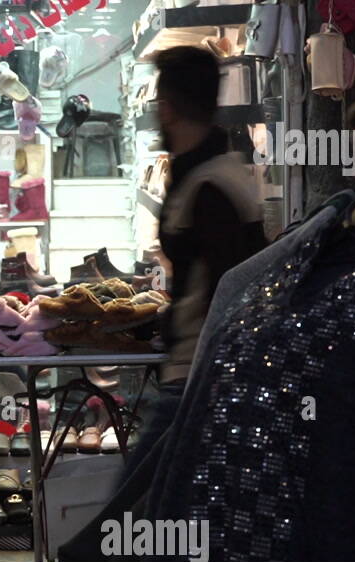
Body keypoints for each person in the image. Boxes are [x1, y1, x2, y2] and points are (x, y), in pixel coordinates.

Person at [121, 45, 268, 479]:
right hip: (200, 371)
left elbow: (226, 290)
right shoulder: (216, 173)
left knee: (128, 515)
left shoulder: (209, 187)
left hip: (197, 376)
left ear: (165, 109)